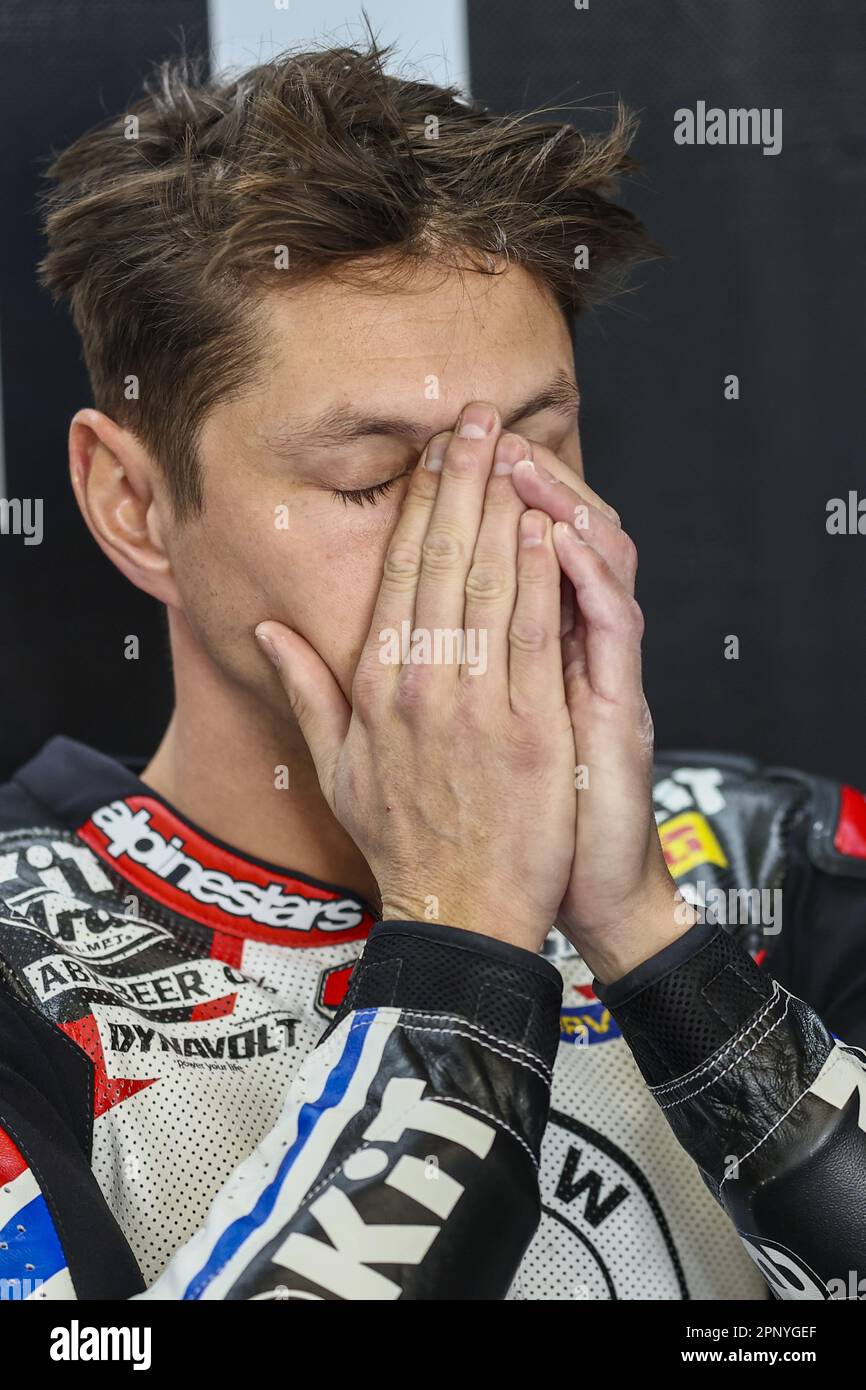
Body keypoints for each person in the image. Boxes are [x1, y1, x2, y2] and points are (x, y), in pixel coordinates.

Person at [1, 38, 863, 1302]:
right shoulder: (27, 973)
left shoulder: (781, 863)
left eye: (533, 444)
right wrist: (459, 938)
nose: (482, 537)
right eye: (366, 477)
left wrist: (647, 937)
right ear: (134, 505)